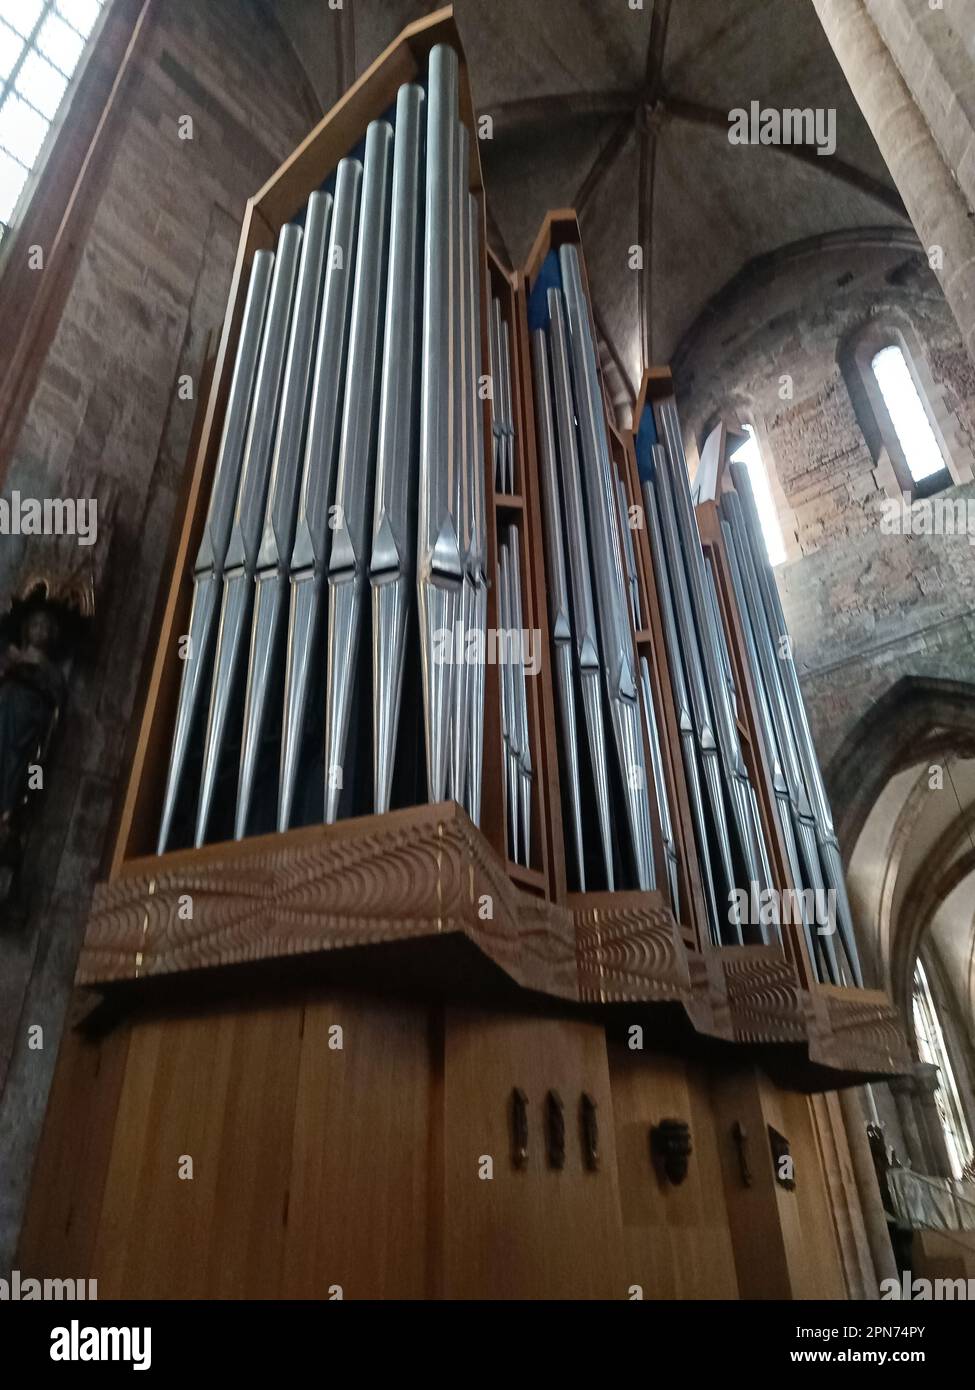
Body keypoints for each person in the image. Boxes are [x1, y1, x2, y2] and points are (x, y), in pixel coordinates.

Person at [0, 603, 66, 855]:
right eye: (37, 625)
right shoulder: (12, 654)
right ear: (27, 629)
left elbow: (57, 697)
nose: (41, 631)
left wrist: (33, 673)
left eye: (47, 627)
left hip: (28, 724)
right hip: (5, 709)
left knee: (18, 766)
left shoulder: (51, 669)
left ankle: (7, 812)